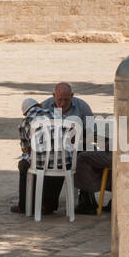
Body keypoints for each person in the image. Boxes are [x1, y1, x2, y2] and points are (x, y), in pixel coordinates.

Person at [11, 83, 93, 215]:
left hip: (77, 148)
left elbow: (90, 133)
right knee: (59, 161)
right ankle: (45, 204)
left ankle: (30, 205)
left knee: (35, 163)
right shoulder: (49, 108)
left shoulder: (82, 107)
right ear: (53, 96)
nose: (62, 103)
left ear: (72, 96)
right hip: (64, 157)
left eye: (66, 99)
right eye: (59, 99)